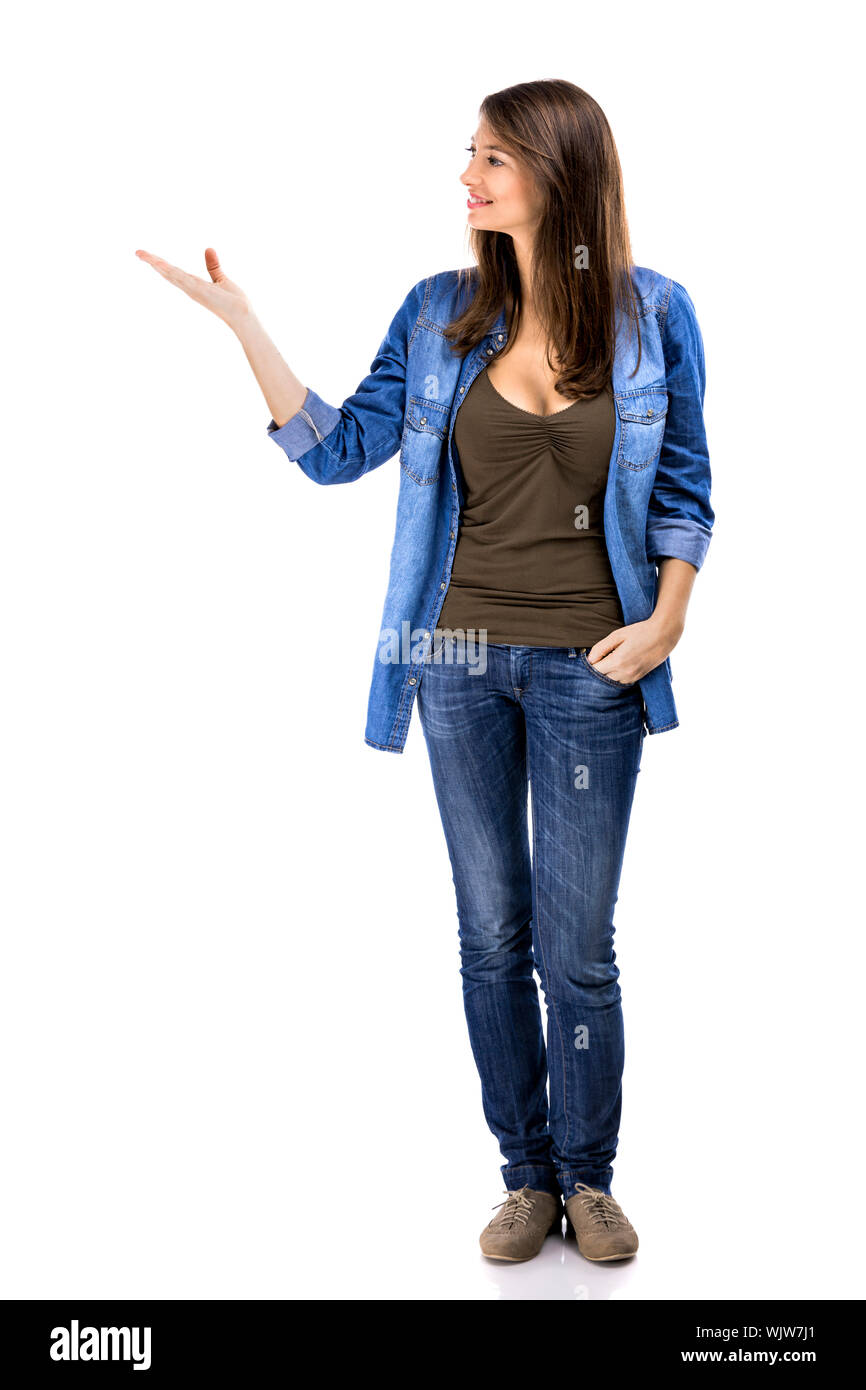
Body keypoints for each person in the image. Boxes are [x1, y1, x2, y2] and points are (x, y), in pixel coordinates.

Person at [136, 78, 713, 1265]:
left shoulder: (655, 314)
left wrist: (664, 625)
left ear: (559, 171)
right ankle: (522, 1179)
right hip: (450, 659)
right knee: (490, 934)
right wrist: (244, 325)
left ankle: (587, 1180)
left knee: (578, 944)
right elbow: (339, 450)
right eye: (470, 158)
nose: (467, 179)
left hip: (588, 669)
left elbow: (684, 490)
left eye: (491, 160)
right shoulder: (438, 313)